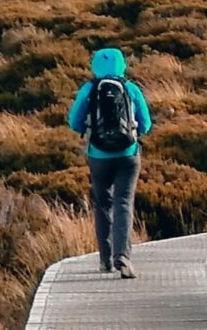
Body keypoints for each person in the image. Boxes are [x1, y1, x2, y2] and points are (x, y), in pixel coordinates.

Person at [67, 46, 153, 278]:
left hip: (98, 156)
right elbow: (145, 124)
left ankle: (105, 260)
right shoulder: (130, 88)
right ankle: (122, 257)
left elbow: (73, 122)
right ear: (121, 64)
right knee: (124, 202)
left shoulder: (88, 89)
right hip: (128, 154)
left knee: (103, 204)